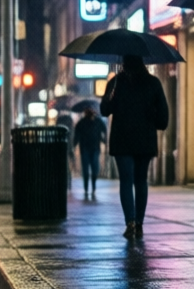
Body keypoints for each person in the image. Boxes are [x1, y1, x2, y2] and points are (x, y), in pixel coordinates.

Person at [100, 55, 170, 239]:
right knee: (141, 180)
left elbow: (104, 110)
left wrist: (110, 96)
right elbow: (163, 118)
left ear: (124, 63)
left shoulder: (116, 82)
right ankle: (139, 223)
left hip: (121, 138)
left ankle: (130, 221)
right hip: (144, 139)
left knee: (126, 180)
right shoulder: (153, 83)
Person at [73, 106, 107, 200]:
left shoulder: (97, 121)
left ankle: (92, 186)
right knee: (86, 169)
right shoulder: (82, 122)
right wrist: (74, 144)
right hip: (85, 148)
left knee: (94, 168)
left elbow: (103, 131)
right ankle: (87, 187)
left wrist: (104, 141)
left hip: (94, 148)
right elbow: (77, 135)